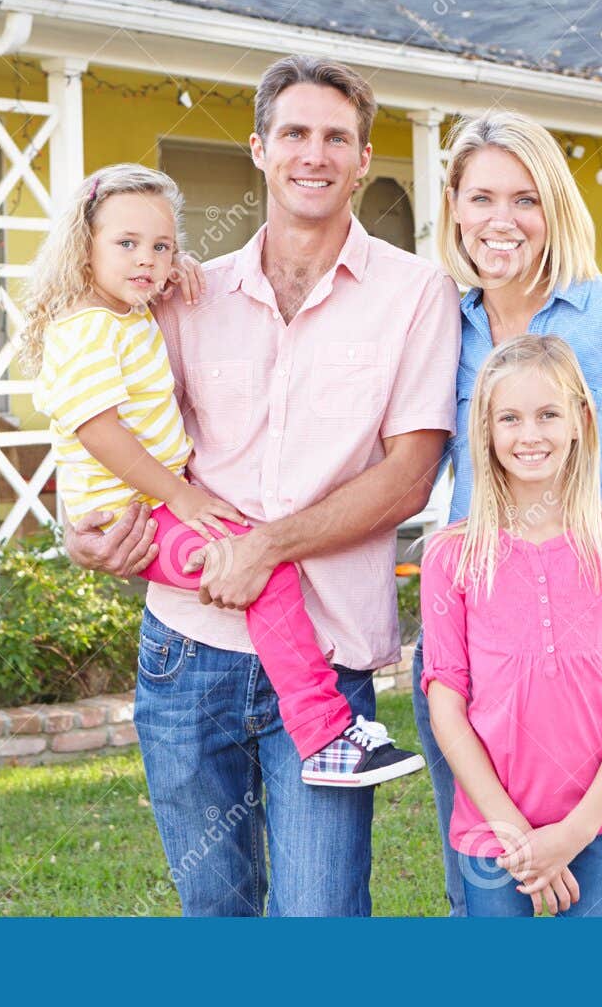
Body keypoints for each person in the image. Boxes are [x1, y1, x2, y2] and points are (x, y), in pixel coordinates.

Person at [63, 56, 460, 916]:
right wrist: (84, 532)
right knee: (215, 916)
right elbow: (119, 432)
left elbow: (409, 475)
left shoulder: (416, 292)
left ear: (363, 159)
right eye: (294, 133)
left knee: (320, 920)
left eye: (336, 137)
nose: (313, 154)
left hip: (325, 657)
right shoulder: (184, 292)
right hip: (186, 650)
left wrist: (268, 547)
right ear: (259, 148)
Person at [21, 162, 423, 788]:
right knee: (266, 571)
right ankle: (324, 735)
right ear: (85, 247)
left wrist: (166, 277)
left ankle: (322, 729)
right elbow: (99, 431)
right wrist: (180, 496)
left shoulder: (126, 314)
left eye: (161, 246)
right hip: (137, 513)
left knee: (262, 562)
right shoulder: (84, 330)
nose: (145, 259)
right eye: (126, 244)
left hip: (156, 500)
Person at [412, 110, 602, 914]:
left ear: (554, 207)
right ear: (453, 208)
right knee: (486, 892)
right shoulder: (440, 324)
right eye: (480, 198)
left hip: (590, 647)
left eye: (524, 198)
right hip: (478, 653)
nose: (500, 220)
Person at [421, 334, 602, 917]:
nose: (530, 435)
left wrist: (572, 834)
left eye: (548, 414)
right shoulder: (451, 558)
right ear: (486, 429)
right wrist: (514, 832)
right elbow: (446, 709)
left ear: (580, 420)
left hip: (599, 822)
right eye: (510, 418)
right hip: (491, 830)